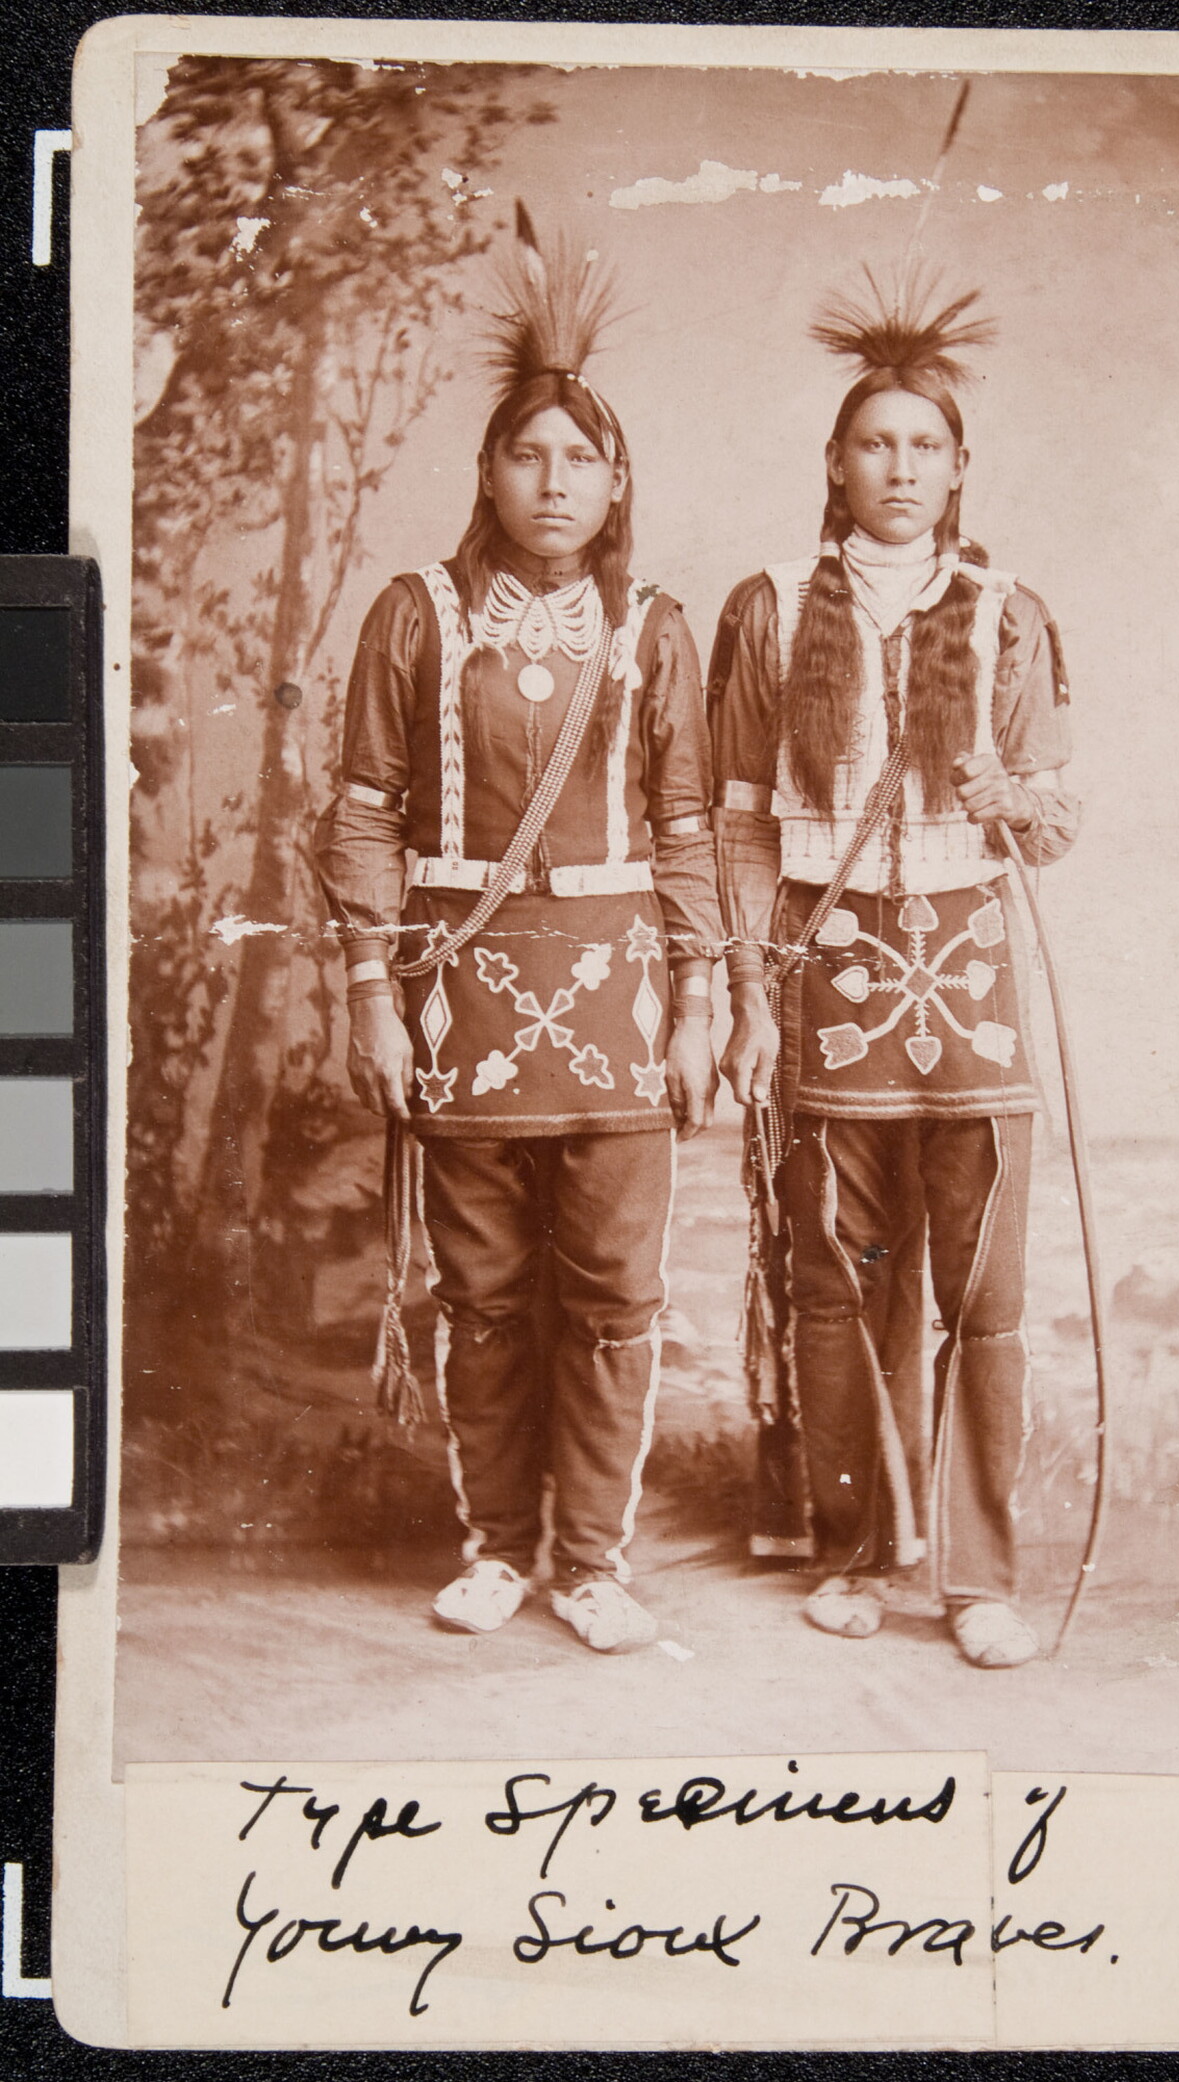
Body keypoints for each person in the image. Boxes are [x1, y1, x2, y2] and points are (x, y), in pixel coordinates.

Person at [315, 216, 724, 1653]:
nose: (555, 485)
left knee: (613, 1288)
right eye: (529, 458)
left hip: (617, 997)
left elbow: (683, 826)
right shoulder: (416, 614)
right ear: (489, 472)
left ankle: (594, 1561)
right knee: (481, 1286)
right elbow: (362, 810)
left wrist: (702, 1003)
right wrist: (371, 991)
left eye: (582, 461)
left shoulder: (654, 625)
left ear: (615, 484)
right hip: (459, 997)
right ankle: (496, 1547)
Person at [709, 269, 1080, 1667]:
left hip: (973, 992)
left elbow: (1054, 824)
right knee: (839, 1283)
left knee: (983, 1294)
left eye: (927, 446)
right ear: (834, 463)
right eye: (877, 443)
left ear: (962, 468)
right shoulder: (766, 610)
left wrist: (1005, 793)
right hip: (831, 982)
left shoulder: (1008, 615)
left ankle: (978, 1575)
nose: (902, 467)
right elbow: (743, 820)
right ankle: (862, 1542)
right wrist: (747, 990)